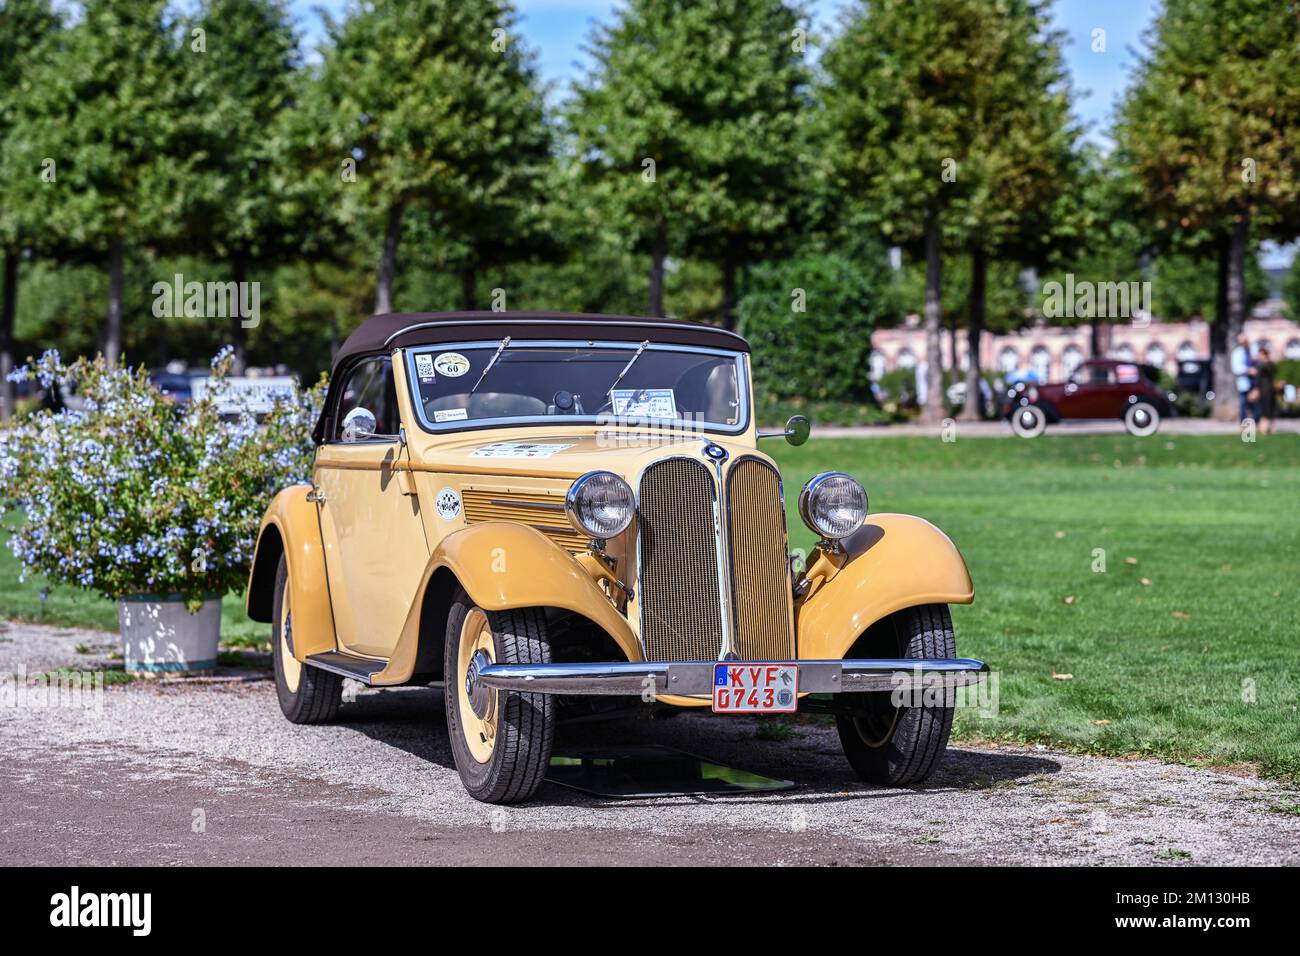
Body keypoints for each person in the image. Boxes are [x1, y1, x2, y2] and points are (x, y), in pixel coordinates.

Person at [1230, 332, 1256, 422]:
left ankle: (1256, 422)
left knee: (1255, 404)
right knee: (1244, 404)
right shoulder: (1237, 352)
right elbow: (1236, 368)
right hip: (1244, 381)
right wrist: (1248, 370)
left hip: (1254, 382)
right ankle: (1243, 423)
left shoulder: (1251, 351)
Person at [1255, 346, 1278, 435]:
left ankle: (1265, 428)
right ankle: (1267, 427)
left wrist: (1256, 389)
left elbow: (1258, 378)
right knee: (1267, 408)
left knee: (1266, 408)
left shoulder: (1263, 365)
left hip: (1265, 388)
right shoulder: (1270, 364)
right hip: (1267, 388)